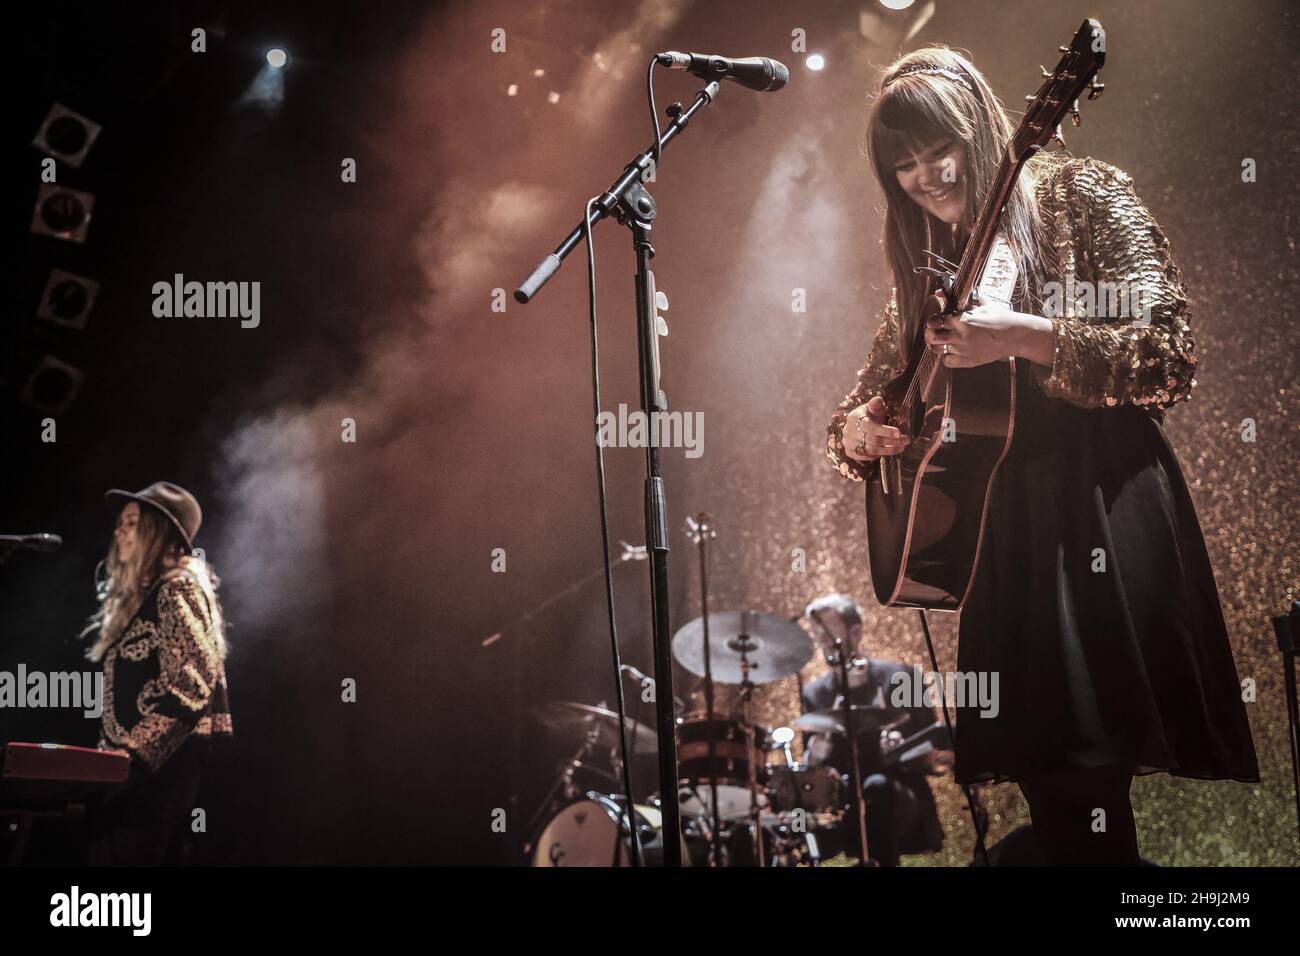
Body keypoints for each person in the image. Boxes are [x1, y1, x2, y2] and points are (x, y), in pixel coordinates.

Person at [825, 47, 1259, 865]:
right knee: (1047, 778)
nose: (924, 177)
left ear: (981, 128)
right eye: (904, 166)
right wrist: (860, 433)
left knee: (1088, 766)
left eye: (936, 151)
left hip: (1096, 502)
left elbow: (1169, 352)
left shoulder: (1080, 192)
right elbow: (858, 409)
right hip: (1004, 531)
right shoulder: (927, 266)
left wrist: (1020, 337)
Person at [81, 481, 232, 865]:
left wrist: (129, 758)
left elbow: (190, 687)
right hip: (131, 780)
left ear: (157, 532)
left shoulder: (176, 590)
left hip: (158, 777)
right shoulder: (143, 600)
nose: (118, 531)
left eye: (131, 522)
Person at [801, 593, 946, 867]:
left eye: (828, 631)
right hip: (842, 801)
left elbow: (935, 747)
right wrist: (814, 758)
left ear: (855, 632)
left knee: (876, 788)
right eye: (817, 633)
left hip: (900, 794)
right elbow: (815, 775)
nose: (822, 640)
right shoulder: (815, 694)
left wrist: (903, 747)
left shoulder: (901, 678)